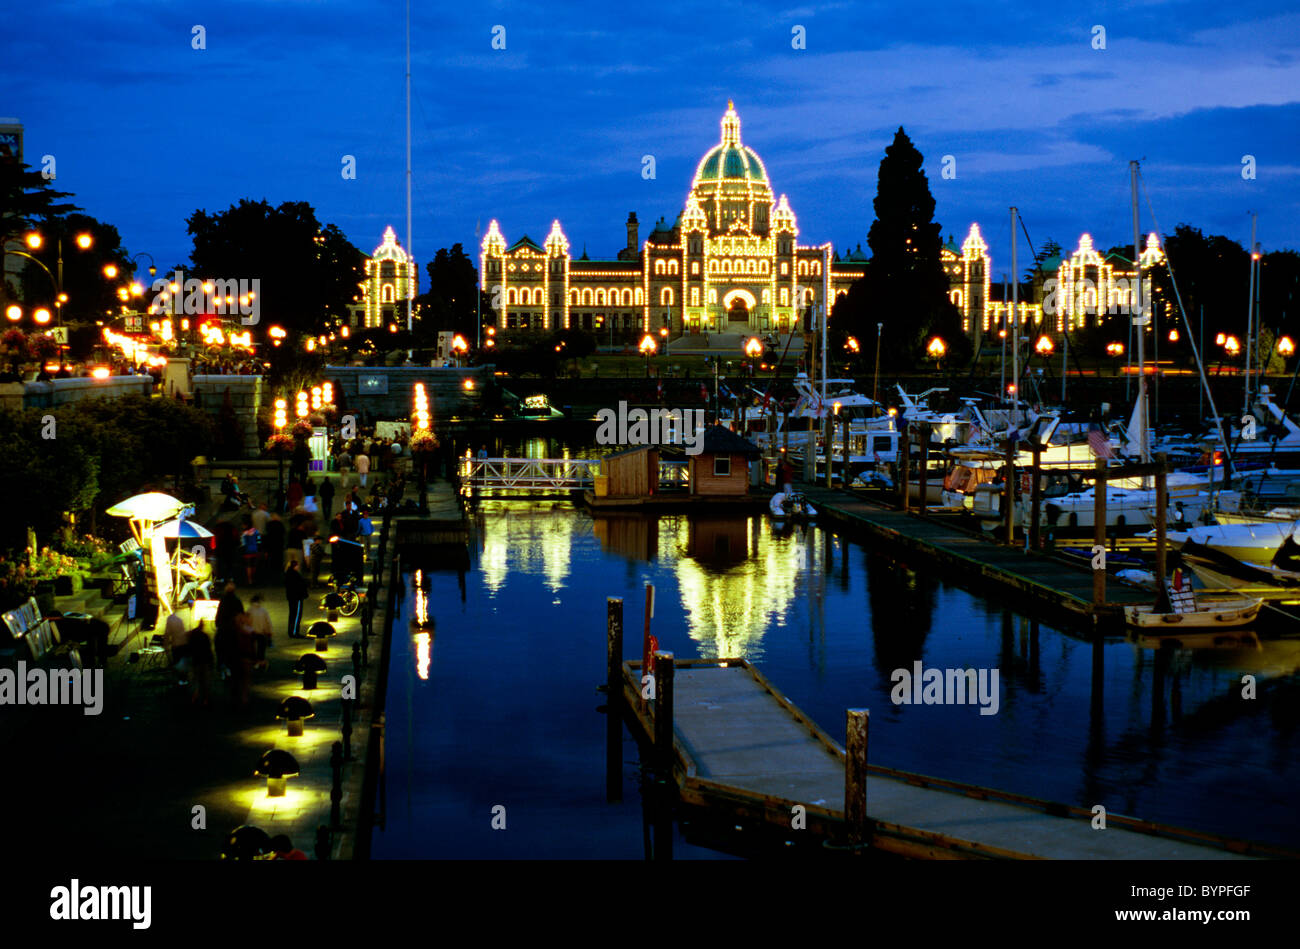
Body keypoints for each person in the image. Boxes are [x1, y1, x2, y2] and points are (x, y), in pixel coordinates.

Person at [188, 622, 214, 706]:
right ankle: (205, 699)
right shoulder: (205, 636)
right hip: (205, 660)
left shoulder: (193, 636)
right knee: (205, 681)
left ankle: (195, 697)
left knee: (196, 680)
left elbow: (190, 649)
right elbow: (209, 649)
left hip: (196, 661)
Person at [284, 560, 308, 638]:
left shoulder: (288, 574)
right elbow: (299, 585)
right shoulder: (294, 575)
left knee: (292, 615)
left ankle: (291, 631)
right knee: (297, 615)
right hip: (297, 598)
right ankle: (295, 632)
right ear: (295, 566)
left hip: (291, 597)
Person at [247, 593, 272, 658]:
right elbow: (268, 623)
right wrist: (269, 632)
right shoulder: (264, 611)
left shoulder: (249, 610)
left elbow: (247, 623)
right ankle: (260, 660)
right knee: (261, 650)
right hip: (261, 633)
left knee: (252, 649)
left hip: (252, 633)